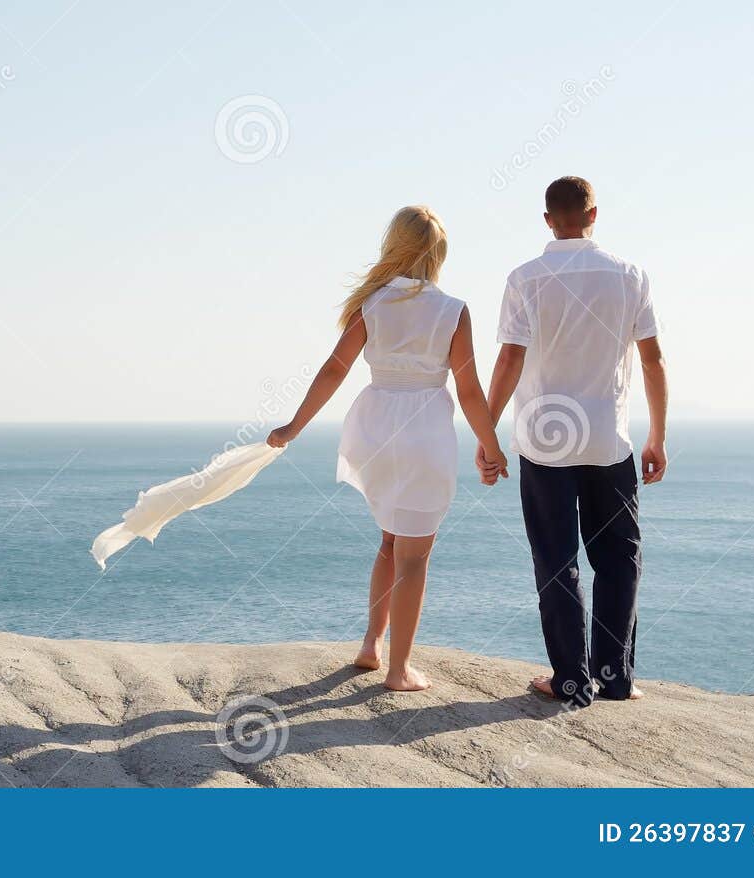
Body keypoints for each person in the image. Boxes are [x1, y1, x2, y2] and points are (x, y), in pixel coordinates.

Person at [269, 206, 508, 691]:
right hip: (425, 435)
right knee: (414, 557)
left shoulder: (372, 304)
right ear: (438, 254)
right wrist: (492, 447)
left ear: (393, 246)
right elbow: (469, 392)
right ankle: (399, 671)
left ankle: (371, 645)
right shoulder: (453, 310)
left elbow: (334, 370)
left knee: (389, 542)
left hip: (374, 430)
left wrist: (294, 426)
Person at [480, 175, 667, 706]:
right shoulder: (630, 275)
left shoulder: (525, 278)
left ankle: (569, 680)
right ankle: (614, 678)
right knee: (618, 558)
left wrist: (487, 432)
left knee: (556, 559)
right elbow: (653, 360)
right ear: (594, 214)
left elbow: (510, 359)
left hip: (545, 442)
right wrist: (657, 436)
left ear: (547, 220)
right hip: (609, 441)